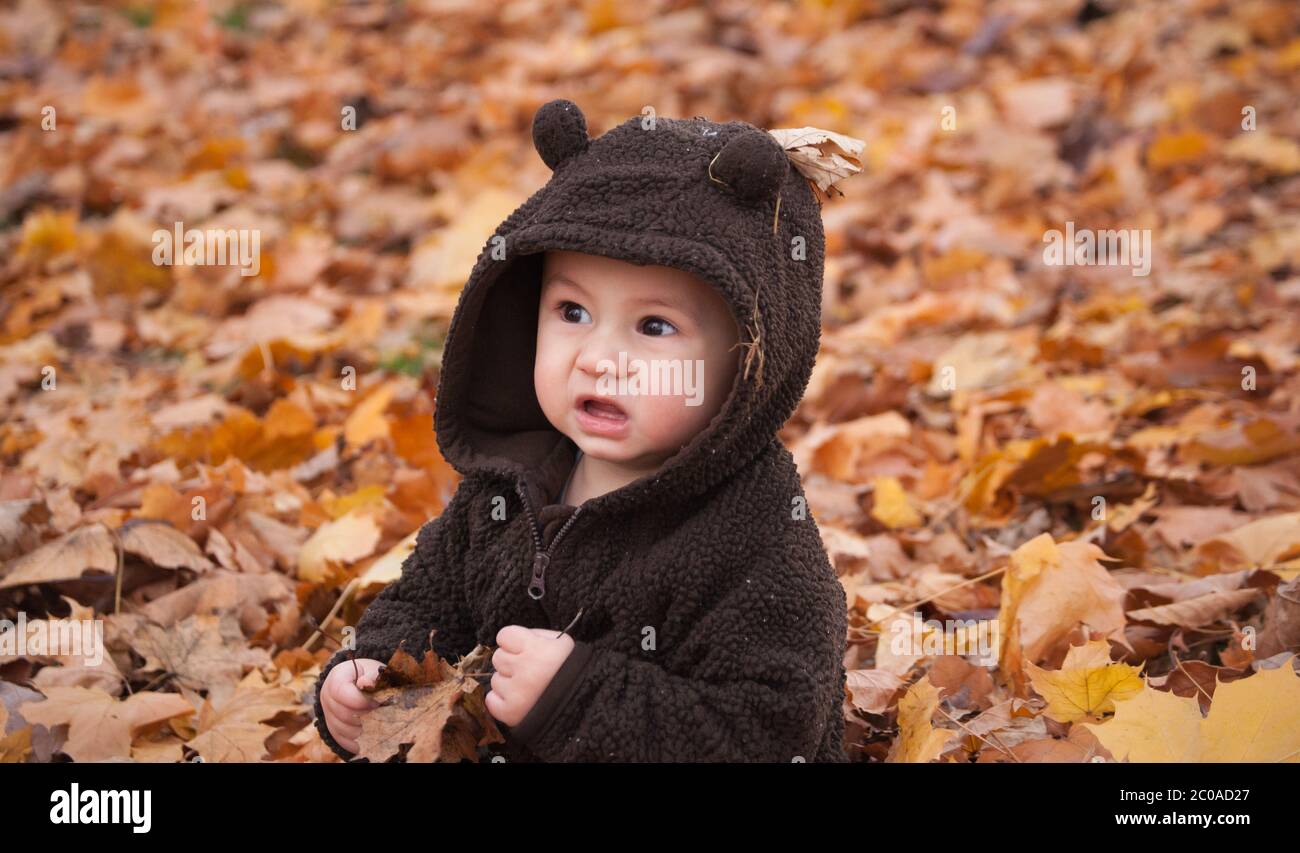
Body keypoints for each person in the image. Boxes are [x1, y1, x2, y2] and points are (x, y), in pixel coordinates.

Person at [313, 98, 850, 762]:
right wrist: (370, 679)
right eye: (571, 310)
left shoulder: (758, 534)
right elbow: (424, 604)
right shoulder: (506, 486)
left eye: (654, 326)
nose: (597, 357)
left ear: (750, 361)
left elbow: (766, 731)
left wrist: (579, 699)